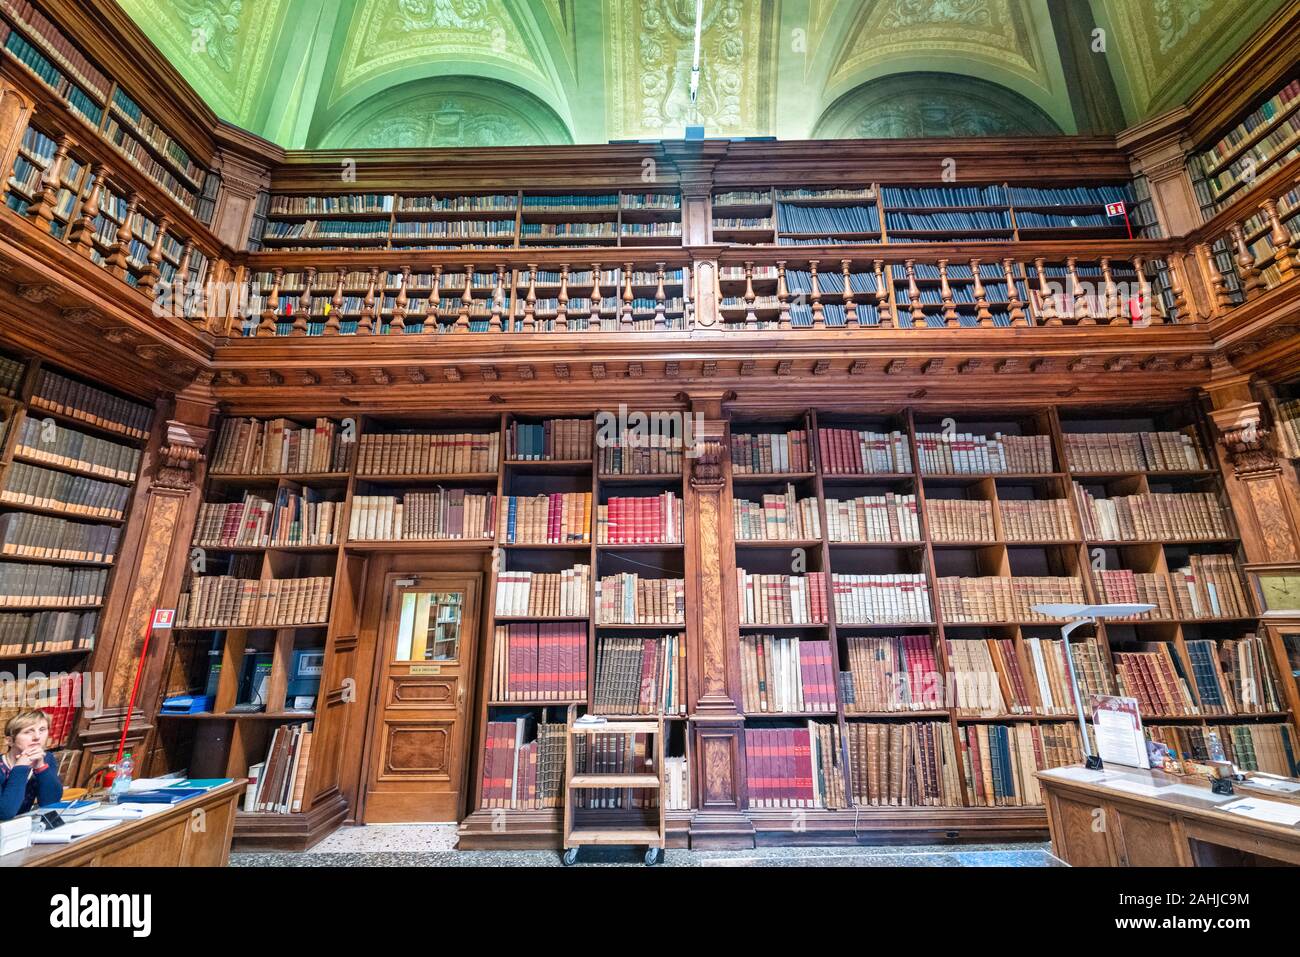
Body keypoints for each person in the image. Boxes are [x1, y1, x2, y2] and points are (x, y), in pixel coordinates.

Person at [0, 710, 63, 820]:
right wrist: (20, 768)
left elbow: (51, 803)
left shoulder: (46, 758)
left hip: (21, 827)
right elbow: (5, 813)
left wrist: (41, 768)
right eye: (28, 732)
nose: (37, 737)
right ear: (9, 741)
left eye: (42, 730)